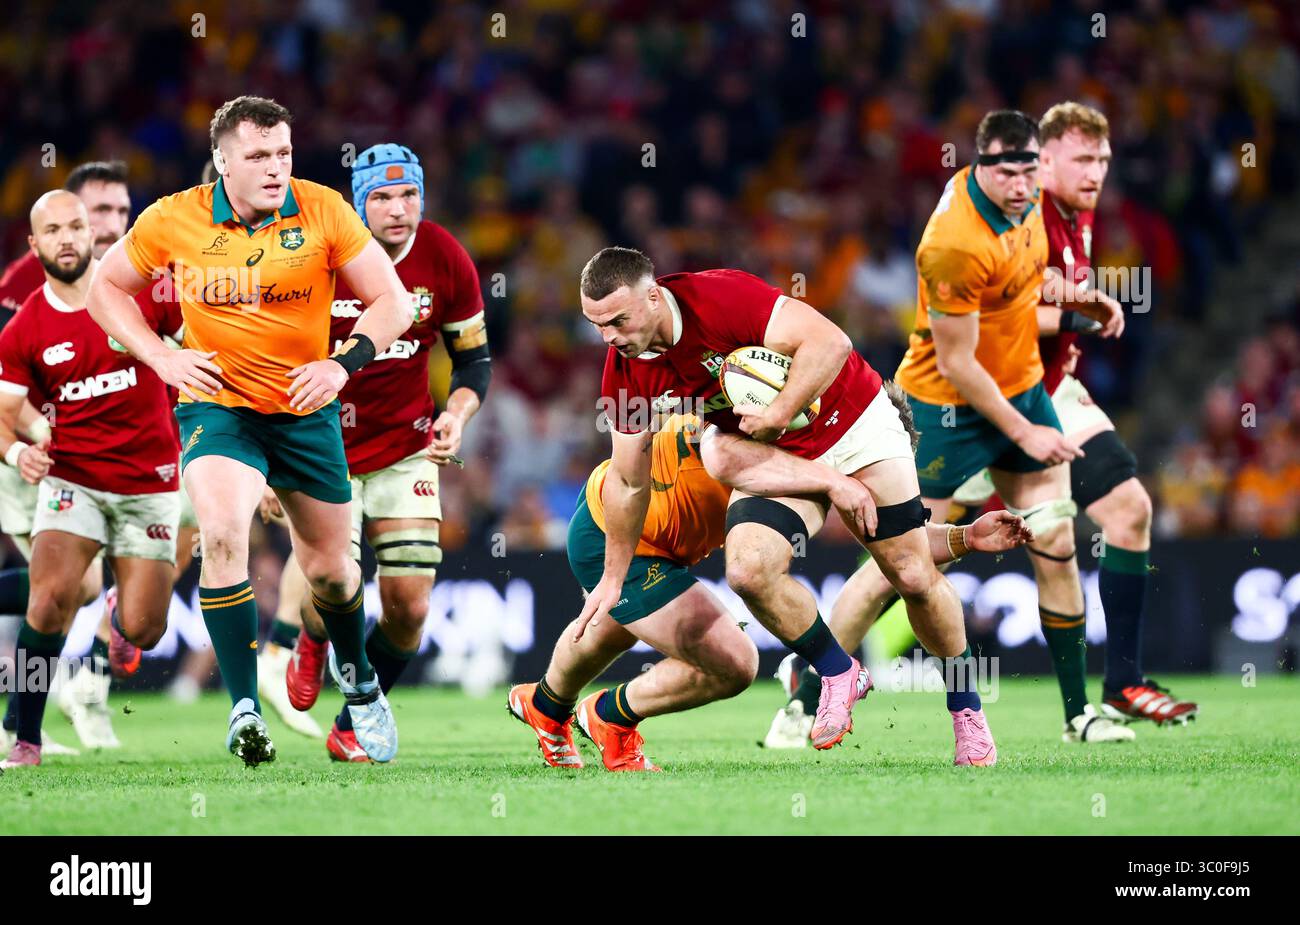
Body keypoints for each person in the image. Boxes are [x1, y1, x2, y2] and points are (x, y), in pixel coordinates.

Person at [84, 95, 411, 765]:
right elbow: (104, 290)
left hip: (305, 410)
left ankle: (358, 682)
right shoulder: (173, 217)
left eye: (283, 153)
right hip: (220, 409)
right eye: (259, 155)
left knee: (333, 574)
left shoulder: (322, 209)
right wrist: (162, 358)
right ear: (222, 161)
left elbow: (393, 301)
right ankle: (243, 710)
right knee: (223, 535)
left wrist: (343, 364)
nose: (275, 167)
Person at [576, 246, 994, 760]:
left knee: (911, 574)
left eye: (618, 320)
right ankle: (839, 673)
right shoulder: (625, 373)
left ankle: (967, 712)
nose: (609, 337)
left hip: (855, 420)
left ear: (654, 297)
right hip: (782, 456)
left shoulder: (718, 296)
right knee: (748, 570)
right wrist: (613, 577)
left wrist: (779, 410)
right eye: (597, 325)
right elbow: (627, 481)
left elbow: (830, 342)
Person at [822, 110, 1133, 744]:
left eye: (1028, 172)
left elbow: (1025, 279)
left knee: (1056, 541)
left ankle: (1077, 715)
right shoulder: (951, 243)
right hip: (942, 406)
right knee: (900, 561)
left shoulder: (1031, 204)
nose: (1021, 186)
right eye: (1007, 172)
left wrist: (1081, 299)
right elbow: (959, 364)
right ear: (980, 165)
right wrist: (1027, 433)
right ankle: (808, 697)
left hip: (1019, 386)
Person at [509, 412, 1033, 770]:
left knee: (614, 630)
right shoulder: (780, 420)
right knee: (734, 663)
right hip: (618, 531)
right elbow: (709, 435)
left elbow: (900, 548)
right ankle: (609, 717)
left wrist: (966, 536)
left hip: (655, 535)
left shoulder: (828, 463)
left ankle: (546, 705)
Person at [954, 102, 1197, 725]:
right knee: (907, 554)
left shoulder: (1079, 212)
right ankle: (815, 676)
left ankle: (1121, 686)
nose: (1096, 172)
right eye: (1083, 159)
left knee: (1129, 509)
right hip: (984, 398)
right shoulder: (1020, 212)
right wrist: (1081, 312)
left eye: (1103, 160)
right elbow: (995, 315)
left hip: (1051, 388)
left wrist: (1079, 305)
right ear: (1045, 159)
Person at [269, 143, 491, 762]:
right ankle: (313, 637)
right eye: (383, 197)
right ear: (358, 203)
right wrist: (267, 460)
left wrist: (456, 414)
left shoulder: (444, 257)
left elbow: (474, 360)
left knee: (411, 609)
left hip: (405, 450)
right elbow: (272, 356)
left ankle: (351, 722)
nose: (398, 209)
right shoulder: (316, 255)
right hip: (321, 448)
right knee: (332, 587)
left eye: (409, 194)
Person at [0, 191, 182, 768]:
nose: (67, 239)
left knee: (146, 629)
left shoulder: (144, 291)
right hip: (72, 480)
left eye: (75, 226)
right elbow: (4, 414)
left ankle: (122, 618)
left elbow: (205, 341)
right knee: (49, 599)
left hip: (150, 482)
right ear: (35, 245)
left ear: (91, 233)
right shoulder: (25, 328)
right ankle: (25, 738)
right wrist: (17, 454)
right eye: (53, 231)